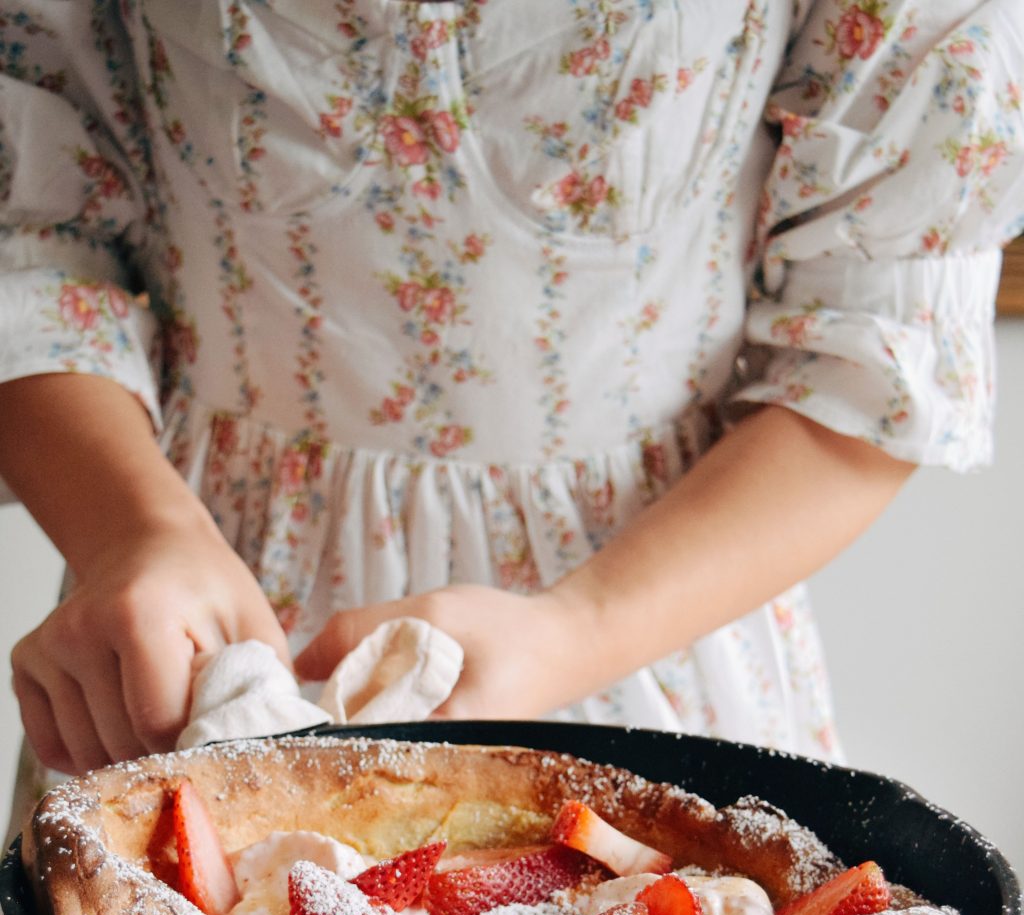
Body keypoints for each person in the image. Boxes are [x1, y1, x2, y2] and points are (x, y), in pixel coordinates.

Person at [1, 0, 1021, 822]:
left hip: (648, 624)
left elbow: (875, 356)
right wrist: (135, 534)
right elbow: (31, 252)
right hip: (188, 626)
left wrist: (576, 628)